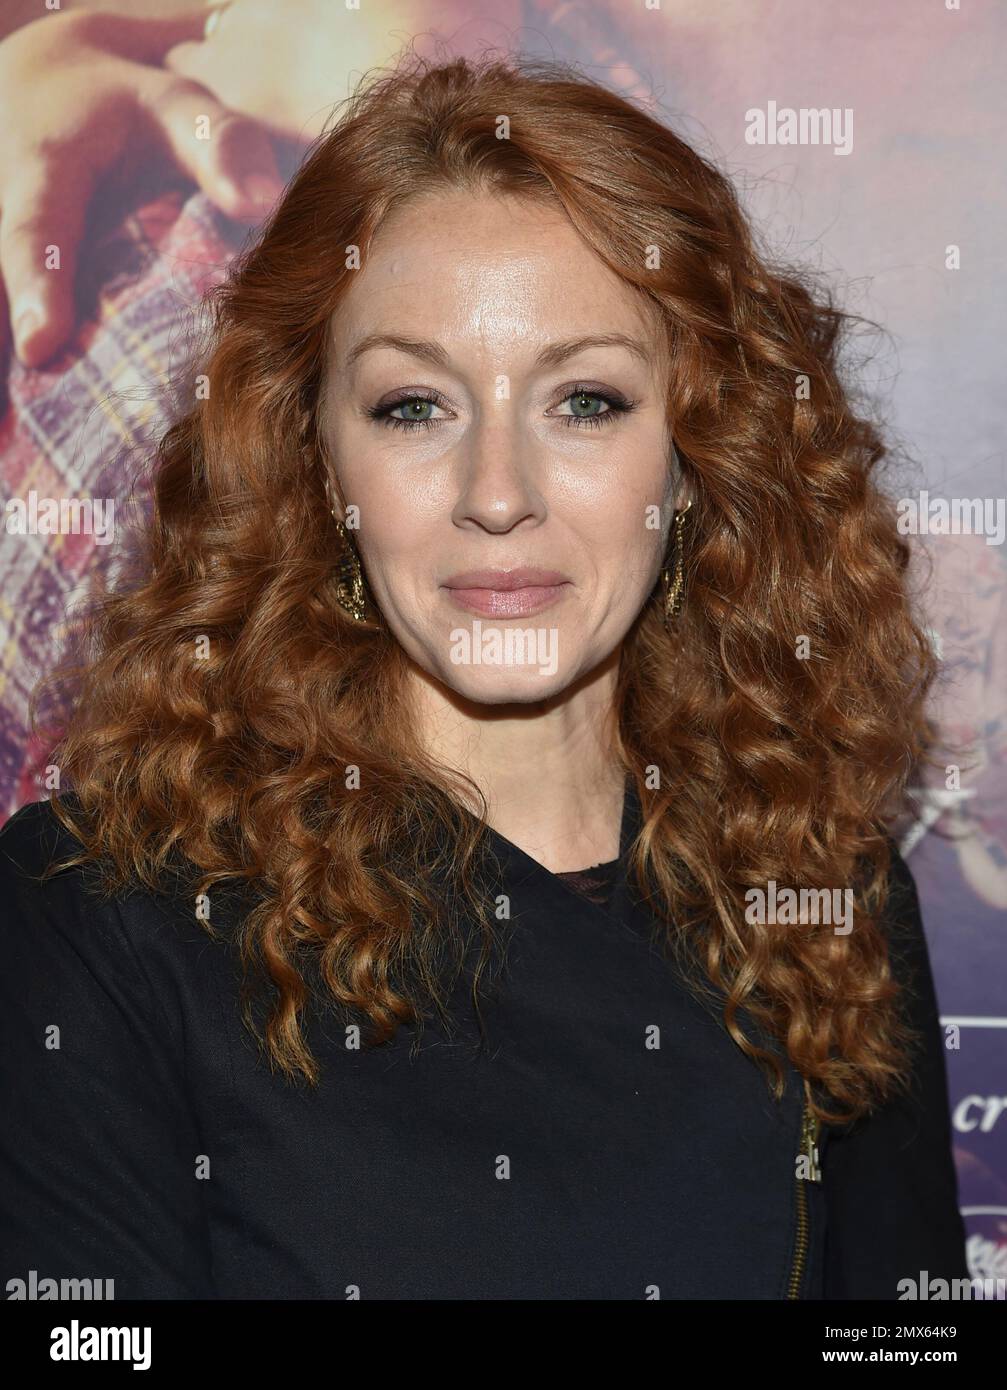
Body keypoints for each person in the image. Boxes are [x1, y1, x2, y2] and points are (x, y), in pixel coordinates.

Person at [0, 53, 967, 1300]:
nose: (497, 494)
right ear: (316, 462)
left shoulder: (814, 883)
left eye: (584, 400)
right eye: (412, 406)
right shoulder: (101, 916)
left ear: (693, 454)